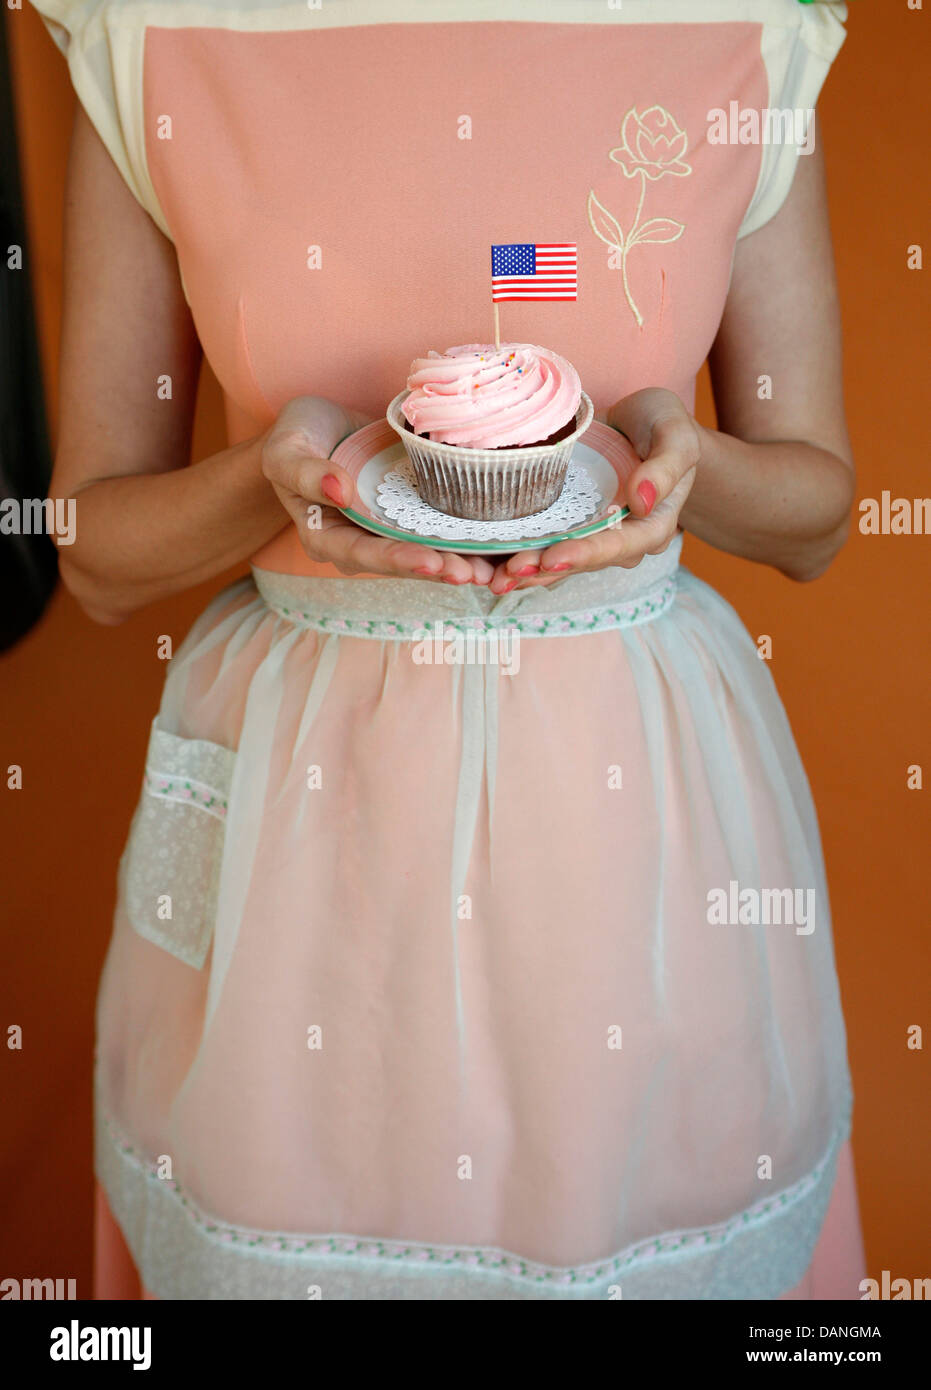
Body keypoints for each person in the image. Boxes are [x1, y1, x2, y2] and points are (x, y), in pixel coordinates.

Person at [35, 0, 865, 1299]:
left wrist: (682, 463)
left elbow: (818, 516)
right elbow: (87, 552)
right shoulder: (150, 32)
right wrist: (268, 475)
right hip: (301, 840)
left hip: (633, 831)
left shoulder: (743, 30)